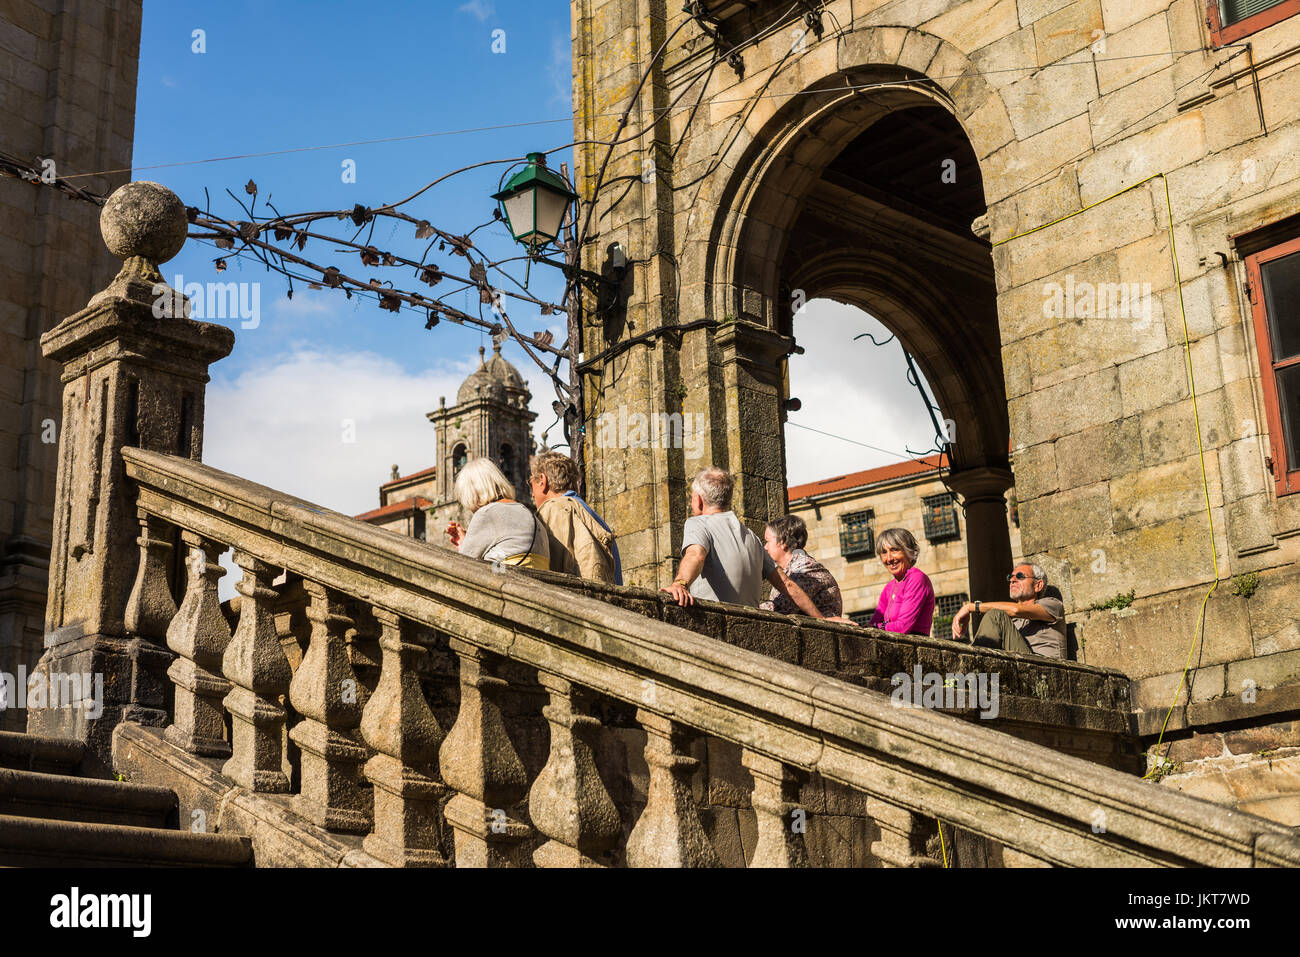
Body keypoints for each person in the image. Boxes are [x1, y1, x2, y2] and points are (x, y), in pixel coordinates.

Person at [660, 466, 830, 619]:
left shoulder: (698, 523)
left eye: (692, 499)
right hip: (750, 628)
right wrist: (822, 619)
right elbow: (786, 583)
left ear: (698, 500)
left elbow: (696, 555)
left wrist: (680, 584)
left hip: (714, 624)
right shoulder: (751, 537)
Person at [529, 451, 621, 584]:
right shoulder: (594, 517)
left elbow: (551, 573)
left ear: (542, 481)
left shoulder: (555, 508)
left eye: (531, 484)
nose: (532, 495)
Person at [445, 457, 550, 569]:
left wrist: (465, 546)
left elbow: (463, 566)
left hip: (509, 582)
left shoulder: (486, 514)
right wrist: (466, 542)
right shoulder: (529, 514)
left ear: (472, 494)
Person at [950, 562, 1066, 658]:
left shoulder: (1053, 604)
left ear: (1038, 585)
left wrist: (971, 607)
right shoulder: (1011, 623)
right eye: (1010, 577)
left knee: (995, 615)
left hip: (1045, 671)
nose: (1012, 580)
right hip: (1016, 667)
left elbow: (1015, 610)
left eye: (1020, 576)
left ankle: (972, 664)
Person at [759, 514, 843, 617]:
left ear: (782, 542)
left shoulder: (804, 568)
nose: (765, 547)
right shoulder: (791, 568)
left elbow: (782, 607)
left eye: (767, 541)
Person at [868, 527, 935, 637]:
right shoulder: (888, 588)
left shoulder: (916, 578)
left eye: (894, 550)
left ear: (908, 551)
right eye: (884, 553)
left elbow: (903, 627)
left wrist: (877, 627)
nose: (889, 558)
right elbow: (873, 622)